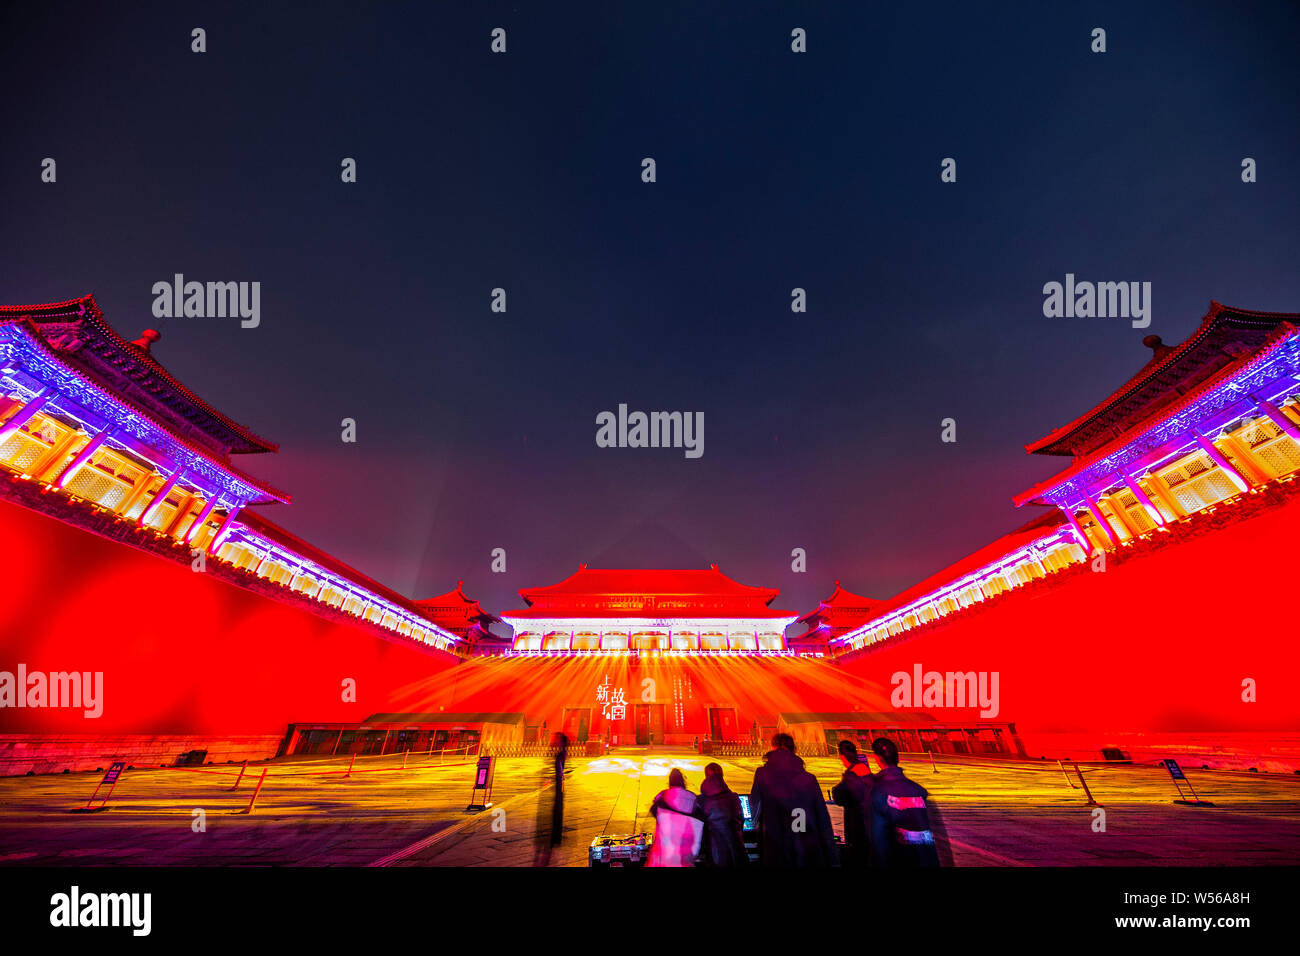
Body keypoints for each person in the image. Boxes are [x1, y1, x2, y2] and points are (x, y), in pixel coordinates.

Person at [750, 733, 837, 867]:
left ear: (774, 747)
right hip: (802, 832)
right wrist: (831, 855)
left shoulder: (763, 775)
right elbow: (822, 817)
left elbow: (755, 805)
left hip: (774, 838)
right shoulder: (808, 778)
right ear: (793, 749)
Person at [867, 737, 952, 867]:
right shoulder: (919, 790)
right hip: (927, 859)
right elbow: (938, 834)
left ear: (877, 759)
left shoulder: (878, 791)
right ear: (898, 758)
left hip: (899, 859)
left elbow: (879, 839)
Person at [647, 768, 704, 866]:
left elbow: (654, 811)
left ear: (669, 782)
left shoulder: (663, 797)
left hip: (665, 856)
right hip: (686, 857)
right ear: (683, 782)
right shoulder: (694, 800)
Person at [831, 739, 874, 866]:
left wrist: (841, 785)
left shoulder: (851, 776)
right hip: (872, 823)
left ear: (842, 757)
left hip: (857, 824)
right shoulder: (868, 773)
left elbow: (839, 797)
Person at [697, 763, 748, 867]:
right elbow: (741, 823)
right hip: (738, 853)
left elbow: (699, 831)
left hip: (715, 856)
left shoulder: (701, 801)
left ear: (706, 777)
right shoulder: (734, 798)